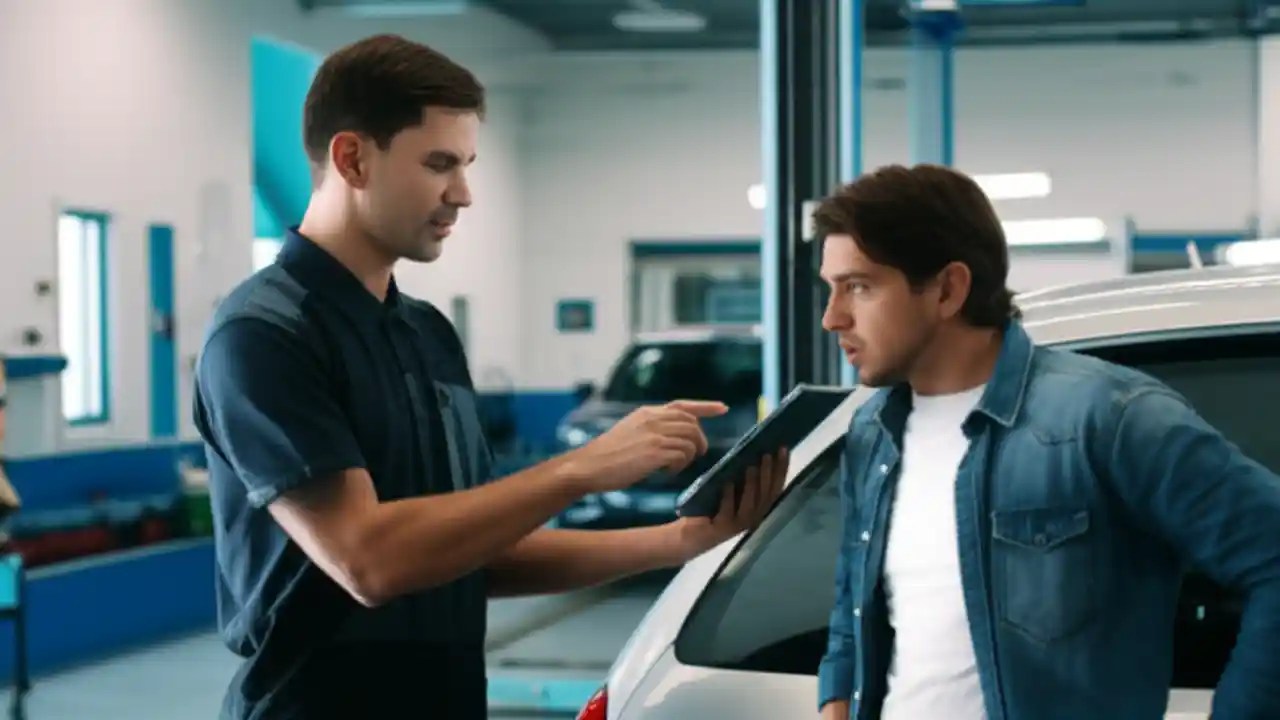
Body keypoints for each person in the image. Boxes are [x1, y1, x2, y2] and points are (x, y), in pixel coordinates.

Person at [193, 34, 787, 720]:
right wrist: (582, 469)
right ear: (353, 158)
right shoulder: (265, 335)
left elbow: (475, 551)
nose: (463, 194)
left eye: (466, 164)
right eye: (439, 164)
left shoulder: (427, 335)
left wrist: (680, 542)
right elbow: (370, 561)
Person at [813, 164, 1280, 720]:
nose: (831, 317)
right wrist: (836, 701)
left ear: (947, 289)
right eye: (831, 289)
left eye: (859, 288)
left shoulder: (1106, 418)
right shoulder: (873, 434)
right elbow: (852, 608)